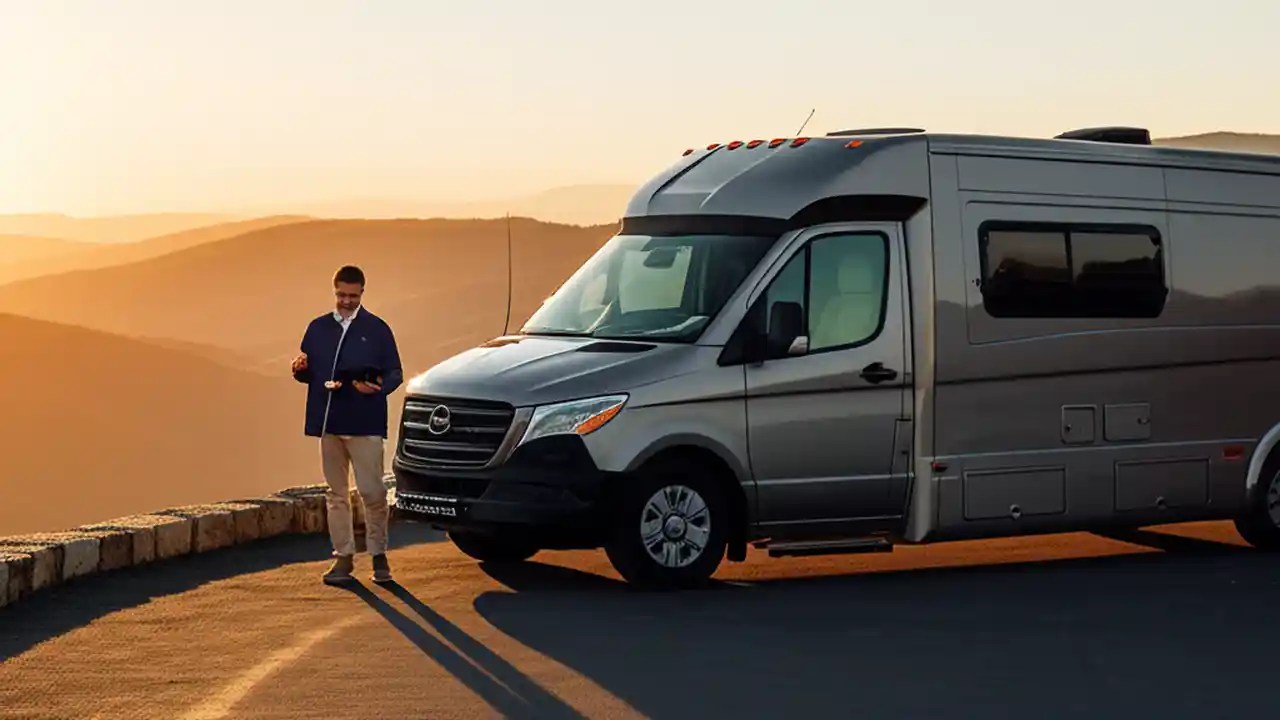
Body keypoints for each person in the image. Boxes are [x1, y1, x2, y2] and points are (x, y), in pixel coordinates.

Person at [291, 265, 403, 585]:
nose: (347, 301)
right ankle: (342, 557)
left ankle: (379, 555)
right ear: (334, 291)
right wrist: (299, 370)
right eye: (341, 295)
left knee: (372, 492)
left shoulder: (378, 330)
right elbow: (309, 370)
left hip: (365, 423)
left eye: (353, 296)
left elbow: (395, 373)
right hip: (329, 422)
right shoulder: (317, 328)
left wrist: (377, 388)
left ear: (362, 293)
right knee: (335, 494)